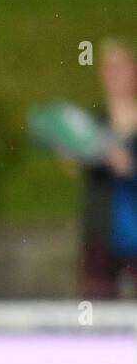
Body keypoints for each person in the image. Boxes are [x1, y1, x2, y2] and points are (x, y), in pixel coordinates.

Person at [77, 41, 137, 297]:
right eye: (112, 70)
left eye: (124, 69)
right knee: (98, 296)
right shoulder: (93, 123)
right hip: (103, 225)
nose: (118, 77)